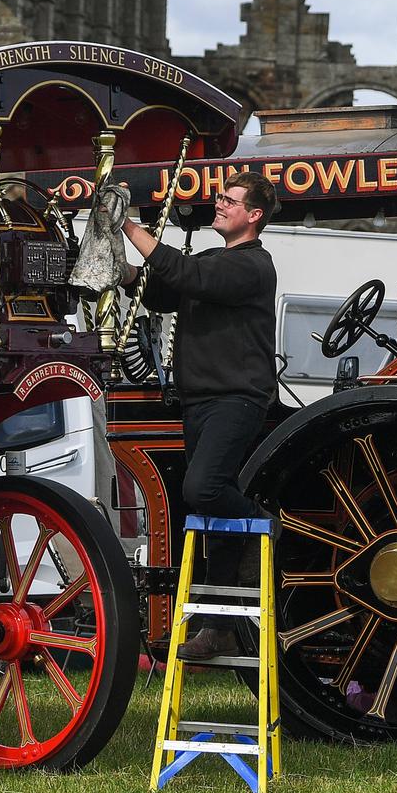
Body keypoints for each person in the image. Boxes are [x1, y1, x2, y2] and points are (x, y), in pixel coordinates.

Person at [124, 170, 278, 662]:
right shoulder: (214, 261)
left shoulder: (254, 265)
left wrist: (129, 227)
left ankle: (268, 529)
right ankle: (219, 628)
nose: (219, 205)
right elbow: (165, 288)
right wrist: (119, 271)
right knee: (211, 515)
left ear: (254, 215)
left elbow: (188, 276)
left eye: (229, 201)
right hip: (201, 400)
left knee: (202, 489)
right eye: (220, 198)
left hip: (237, 398)